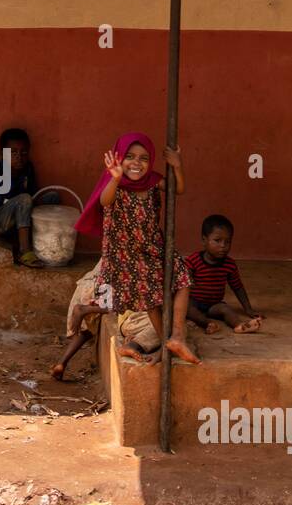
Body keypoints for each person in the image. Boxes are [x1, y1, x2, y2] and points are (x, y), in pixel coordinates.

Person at [75, 132, 199, 365]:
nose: (137, 163)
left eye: (143, 158)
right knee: (151, 301)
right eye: (130, 156)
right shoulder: (116, 183)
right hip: (128, 254)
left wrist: (178, 166)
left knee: (183, 277)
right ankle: (168, 342)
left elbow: (177, 189)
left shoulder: (153, 181)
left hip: (153, 247)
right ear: (119, 159)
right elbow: (105, 201)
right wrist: (114, 177)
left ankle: (177, 337)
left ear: (151, 160)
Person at [0, 128, 47, 267]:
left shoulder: (28, 169)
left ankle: (44, 245)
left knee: (51, 197)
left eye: (24, 152)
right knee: (24, 199)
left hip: (18, 216)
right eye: (13, 152)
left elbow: (34, 194)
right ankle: (24, 251)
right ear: (3, 153)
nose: (19, 157)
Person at [184, 214, 263, 334]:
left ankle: (239, 325)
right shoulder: (193, 260)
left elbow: (237, 287)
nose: (223, 246)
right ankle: (208, 324)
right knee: (187, 309)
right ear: (204, 240)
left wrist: (248, 309)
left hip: (214, 305)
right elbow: (184, 282)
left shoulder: (229, 264)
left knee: (226, 309)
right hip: (195, 301)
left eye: (228, 241)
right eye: (217, 241)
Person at [50, 265, 108, 380]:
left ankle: (61, 363)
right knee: (120, 308)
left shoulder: (113, 248)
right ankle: (86, 309)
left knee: (85, 332)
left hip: (87, 283)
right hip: (102, 288)